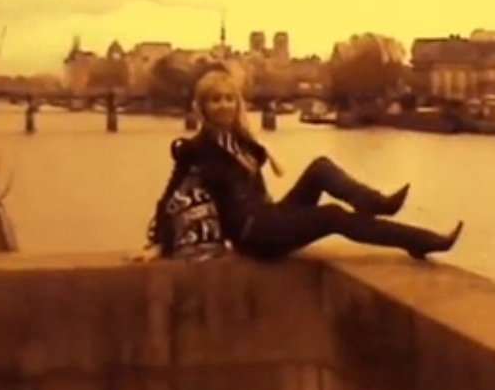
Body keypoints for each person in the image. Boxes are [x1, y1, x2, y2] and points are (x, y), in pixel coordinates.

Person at [154, 63, 463, 261]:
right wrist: (156, 243)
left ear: (237, 103)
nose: (223, 105)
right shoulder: (196, 149)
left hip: (268, 218)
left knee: (320, 168)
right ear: (203, 107)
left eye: (228, 98)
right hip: (253, 236)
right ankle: (420, 240)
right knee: (332, 216)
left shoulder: (243, 141)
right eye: (215, 100)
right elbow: (170, 197)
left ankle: (375, 203)